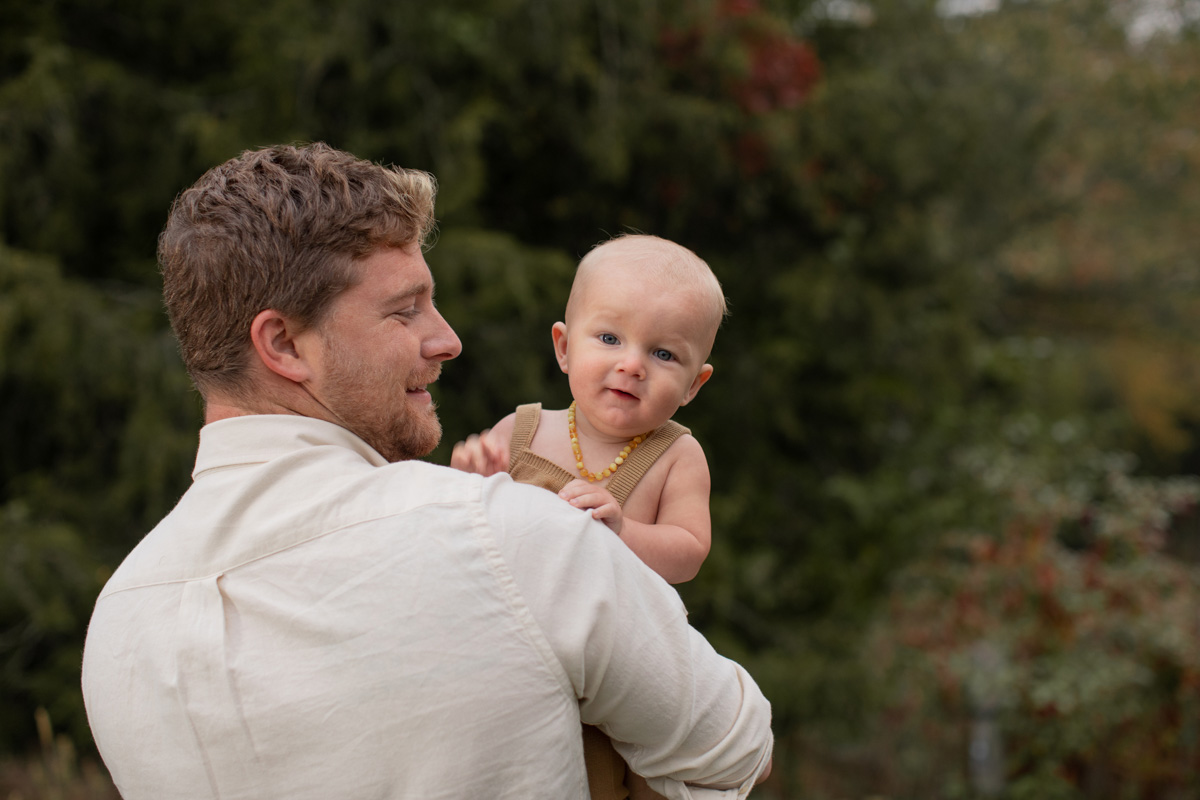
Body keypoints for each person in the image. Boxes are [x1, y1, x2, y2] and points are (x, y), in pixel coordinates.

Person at [80, 143, 773, 800]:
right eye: (405, 309)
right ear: (285, 345)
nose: (447, 340)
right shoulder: (508, 535)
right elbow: (737, 749)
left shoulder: (118, 627)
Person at [451, 235, 724, 800]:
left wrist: (624, 531)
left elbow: (690, 550)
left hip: (616, 672)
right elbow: (464, 539)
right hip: (512, 659)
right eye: (609, 338)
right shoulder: (521, 431)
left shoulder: (675, 454)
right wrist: (469, 482)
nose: (631, 364)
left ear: (695, 383)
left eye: (664, 354)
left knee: (598, 777)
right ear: (564, 346)